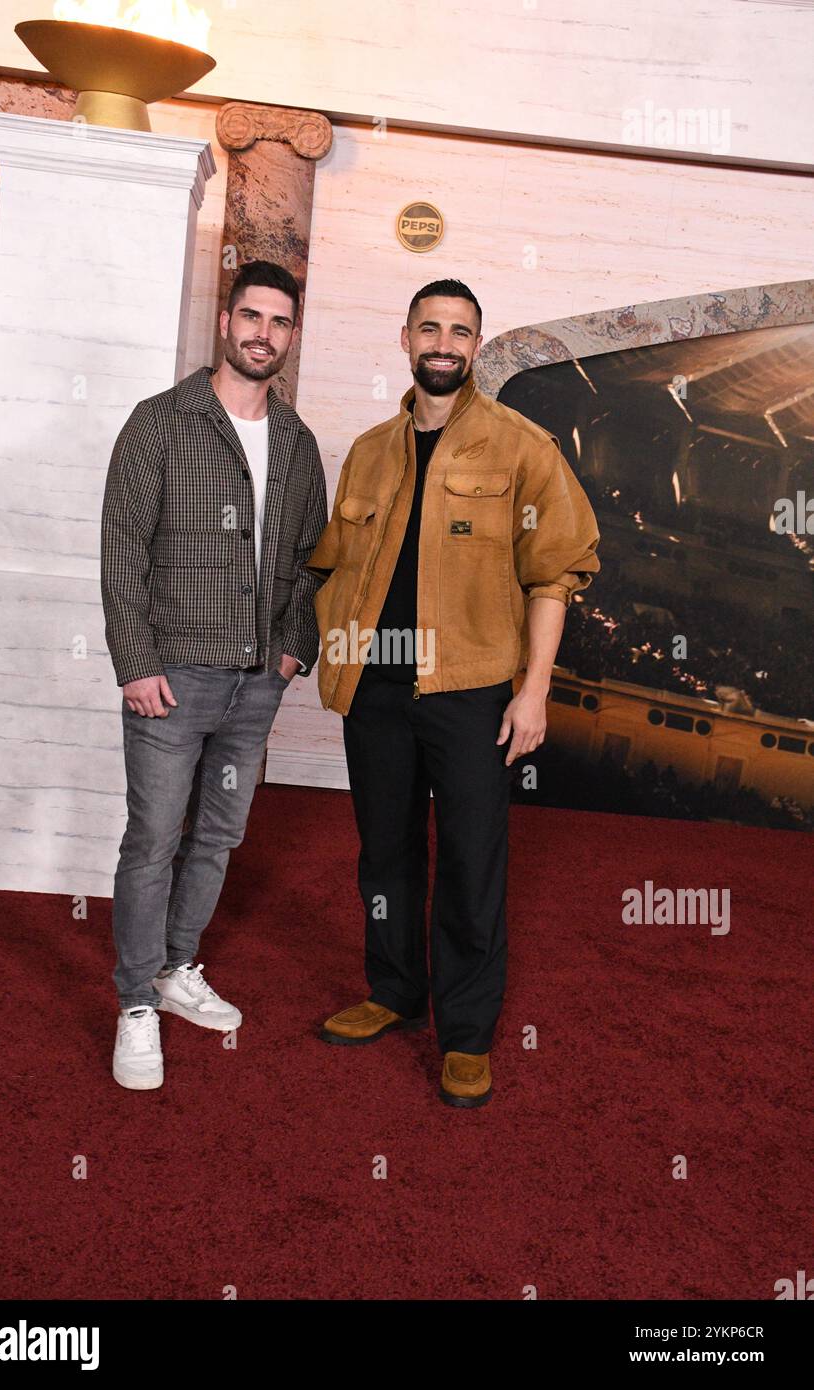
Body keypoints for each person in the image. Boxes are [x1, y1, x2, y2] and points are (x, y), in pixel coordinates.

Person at [307, 279, 600, 1107]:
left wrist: (533, 691)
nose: (444, 342)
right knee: (384, 853)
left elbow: (557, 575)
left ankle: (466, 1034)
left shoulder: (521, 446)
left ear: (477, 344)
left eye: (460, 331)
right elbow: (334, 563)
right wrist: (326, 648)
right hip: (376, 685)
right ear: (405, 338)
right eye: (429, 327)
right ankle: (393, 992)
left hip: (470, 689)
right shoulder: (368, 450)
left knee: (472, 861)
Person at [101, 259, 327, 1090]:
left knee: (219, 837)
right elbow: (122, 547)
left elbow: (311, 560)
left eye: (279, 321)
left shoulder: (299, 443)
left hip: (254, 682)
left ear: (291, 335)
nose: (263, 332)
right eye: (251, 316)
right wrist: (134, 661)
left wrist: (293, 646)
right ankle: (134, 1005)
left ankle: (175, 967)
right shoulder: (160, 422)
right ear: (225, 322)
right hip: (171, 677)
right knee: (154, 839)